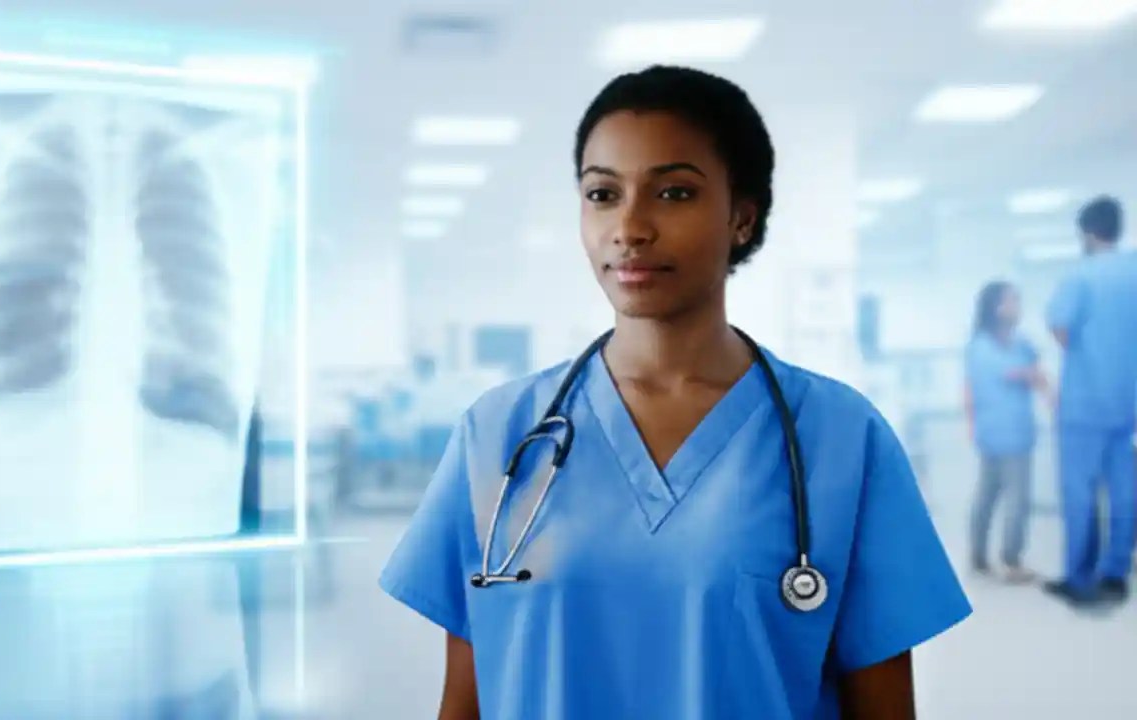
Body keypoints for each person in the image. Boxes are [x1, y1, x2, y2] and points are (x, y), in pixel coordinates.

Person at [379, 66, 971, 719]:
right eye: (603, 194)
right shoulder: (499, 433)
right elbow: (463, 701)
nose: (630, 227)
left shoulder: (840, 437)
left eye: (674, 193)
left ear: (742, 217)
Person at [1044, 196, 1137, 607]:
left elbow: (1061, 329)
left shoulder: (1080, 276)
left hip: (1085, 401)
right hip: (1127, 400)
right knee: (1125, 487)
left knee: (1079, 491)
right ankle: (1115, 573)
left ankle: (1079, 577)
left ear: (1086, 233)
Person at [963, 281, 1049, 583]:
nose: (1017, 307)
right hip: (1001, 432)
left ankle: (980, 557)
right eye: (1012, 301)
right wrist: (1033, 375)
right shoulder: (982, 346)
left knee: (989, 494)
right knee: (1015, 498)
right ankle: (1010, 561)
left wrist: (1036, 375)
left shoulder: (1018, 343)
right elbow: (1015, 372)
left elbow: (1035, 365)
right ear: (996, 307)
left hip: (1013, 430)